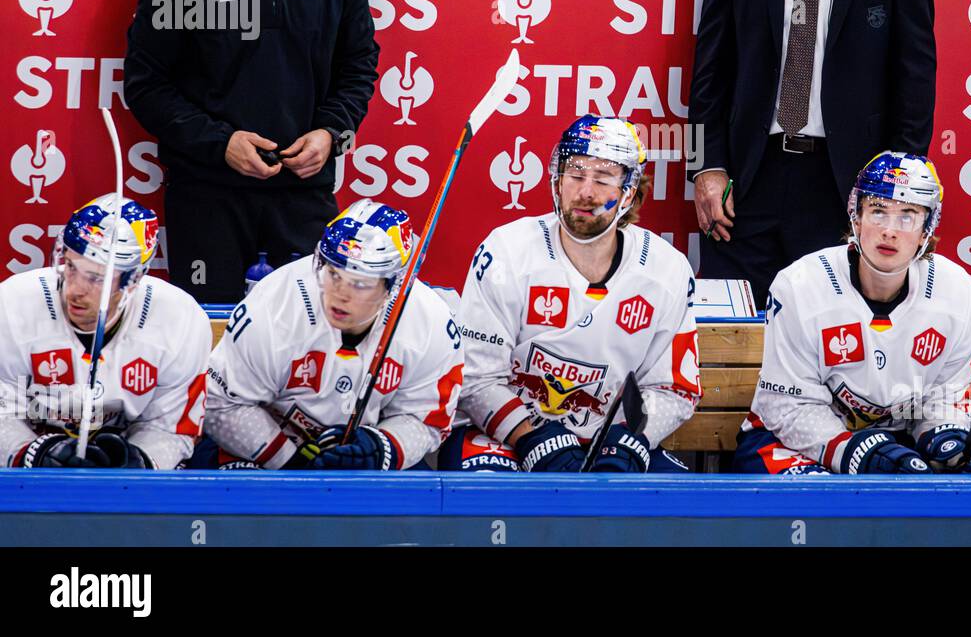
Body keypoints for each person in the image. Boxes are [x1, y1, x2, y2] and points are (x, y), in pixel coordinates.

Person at [124, 0, 379, 304]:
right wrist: (220, 143)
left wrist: (331, 134)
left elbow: (358, 65)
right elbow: (146, 83)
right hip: (207, 198)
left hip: (302, 197)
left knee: (304, 349)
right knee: (207, 349)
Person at [688, 0, 937, 307]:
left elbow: (914, 73)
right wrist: (703, 166)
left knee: (836, 339)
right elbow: (710, 65)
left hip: (845, 185)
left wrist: (899, 187)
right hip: (747, 183)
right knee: (727, 337)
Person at [444, 115, 700, 473]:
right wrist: (529, 435)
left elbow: (674, 389)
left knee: (675, 508)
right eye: (576, 174)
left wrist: (631, 439)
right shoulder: (507, 251)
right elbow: (475, 377)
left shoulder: (666, 269)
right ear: (558, 180)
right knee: (488, 492)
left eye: (603, 178)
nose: (586, 192)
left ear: (629, 190)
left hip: (607, 440)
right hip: (508, 434)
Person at [733, 153, 971, 475]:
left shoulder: (960, 294)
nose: (890, 231)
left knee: (959, 477)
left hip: (898, 442)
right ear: (856, 218)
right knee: (823, 499)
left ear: (927, 228)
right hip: (793, 441)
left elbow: (952, 395)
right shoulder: (800, 285)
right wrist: (857, 452)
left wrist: (944, 432)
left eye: (908, 215)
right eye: (878, 212)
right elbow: (786, 408)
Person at [197, 200, 461, 470]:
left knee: (415, 502)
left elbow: (428, 421)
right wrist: (291, 464)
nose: (340, 294)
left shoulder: (432, 321)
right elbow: (222, 403)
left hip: (367, 450)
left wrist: (378, 449)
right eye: (333, 273)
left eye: (360, 284)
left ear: (393, 285)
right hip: (267, 446)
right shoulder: (274, 303)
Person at [0, 195, 209, 469]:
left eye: (96, 278)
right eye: (71, 267)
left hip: (126, 467)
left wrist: (137, 461)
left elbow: (172, 427)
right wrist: (36, 453)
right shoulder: (13, 303)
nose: (75, 289)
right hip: (27, 468)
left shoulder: (180, 319)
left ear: (132, 280)